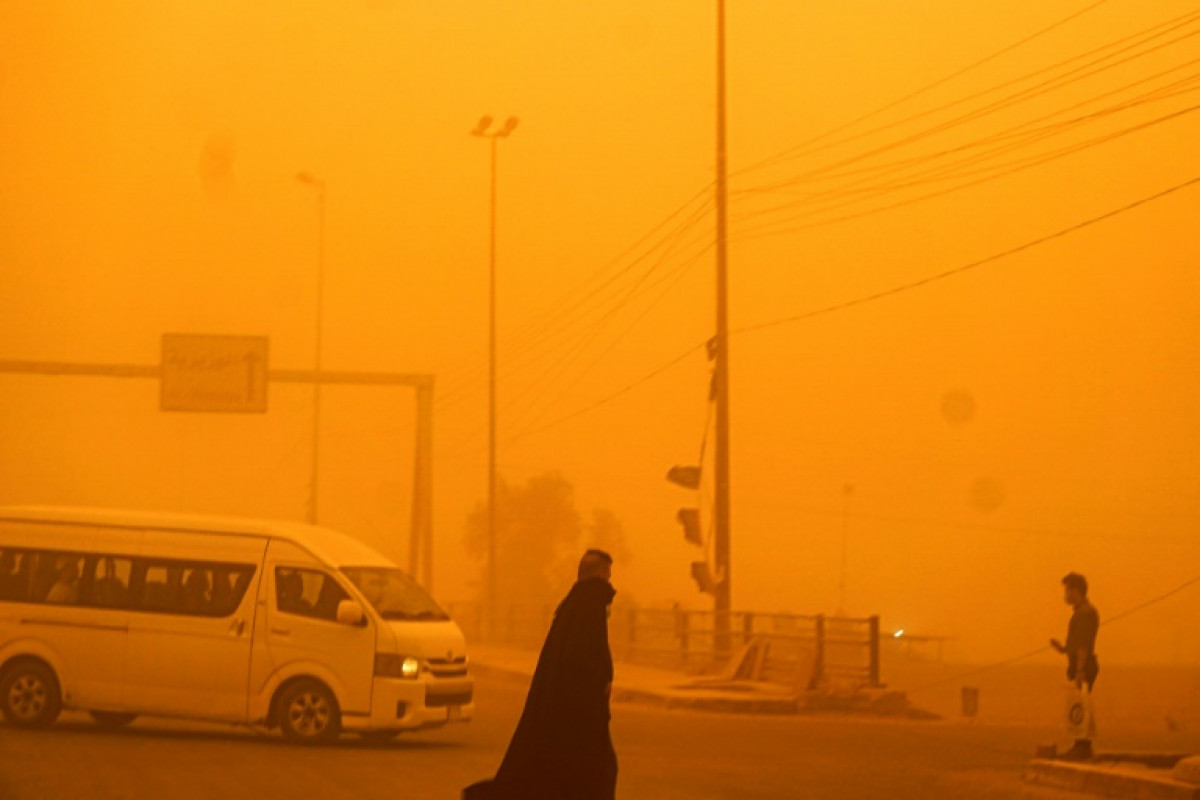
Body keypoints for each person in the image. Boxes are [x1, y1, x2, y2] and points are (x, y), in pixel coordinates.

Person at [464, 550, 618, 800]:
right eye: (607, 576)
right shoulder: (590, 607)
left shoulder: (570, 608)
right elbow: (585, 661)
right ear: (599, 575)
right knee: (599, 771)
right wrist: (599, 687)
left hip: (571, 714)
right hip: (582, 716)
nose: (610, 584)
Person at [1050, 572, 1099, 761]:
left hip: (1084, 666)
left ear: (1076, 591)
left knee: (1081, 707)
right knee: (1079, 705)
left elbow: (1083, 645)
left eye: (1067, 590)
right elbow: (1075, 643)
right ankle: (1080, 746)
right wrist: (1061, 648)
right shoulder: (1081, 613)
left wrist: (1079, 670)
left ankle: (1082, 748)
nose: (1065, 594)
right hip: (1080, 664)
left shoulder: (1085, 613)